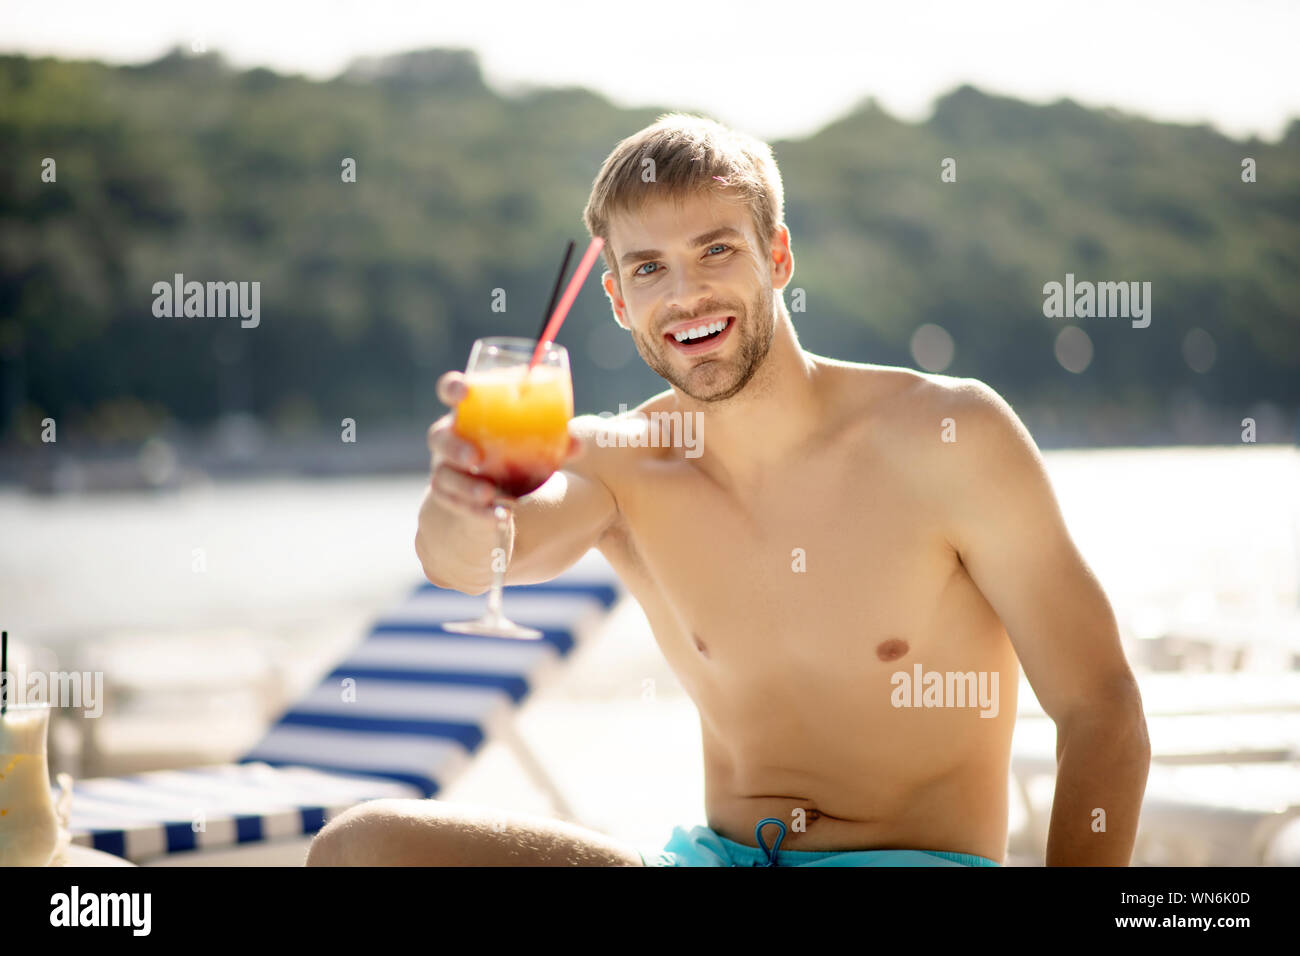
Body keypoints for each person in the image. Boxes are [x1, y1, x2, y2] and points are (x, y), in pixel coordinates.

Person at [308, 113, 1149, 867]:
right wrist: (461, 497)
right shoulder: (620, 459)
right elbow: (472, 563)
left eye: (716, 249)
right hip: (713, 861)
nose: (685, 294)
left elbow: (1100, 705)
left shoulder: (947, 437)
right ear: (617, 300)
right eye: (648, 268)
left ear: (777, 256)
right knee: (363, 849)